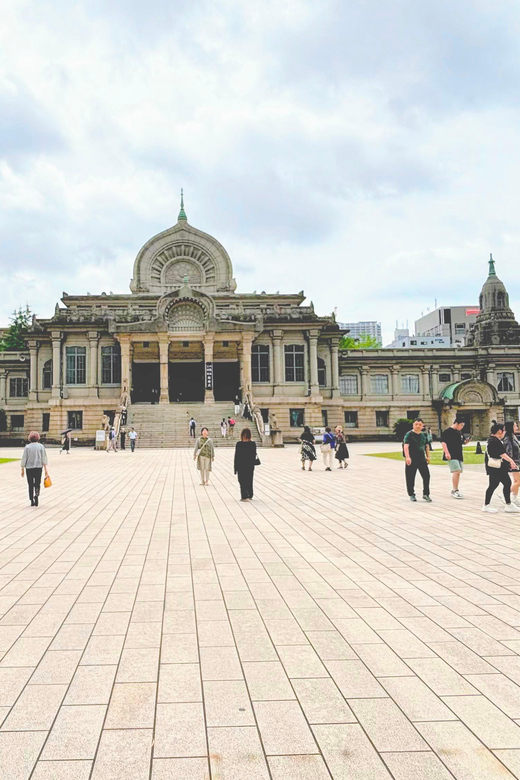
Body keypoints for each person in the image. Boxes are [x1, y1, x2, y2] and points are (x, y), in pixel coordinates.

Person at [483, 422, 520, 513]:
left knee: (496, 485)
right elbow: (502, 453)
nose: (504, 432)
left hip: (495, 467)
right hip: (497, 467)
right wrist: (511, 461)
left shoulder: (492, 440)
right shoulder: (495, 441)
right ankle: (507, 504)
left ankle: (491, 504)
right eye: (503, 430)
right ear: (499, 431)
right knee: (505, 483)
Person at [403, 418, 432, 502]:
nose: (418, 426)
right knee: (410, 477)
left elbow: (426, 446)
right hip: (412, 459)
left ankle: (426, 494)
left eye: (420, 424)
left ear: (423, 426)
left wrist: (428, 456)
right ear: (413, 425)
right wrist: (407, 457)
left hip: (421, 458)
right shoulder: (409, 434)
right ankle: (411, 494)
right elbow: (406, 446)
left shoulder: (424, 435)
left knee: (426, 476)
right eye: (416, 424)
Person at [21, 431, 49, 507]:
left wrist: (22, 468)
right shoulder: (41, 447)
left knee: (30, 484)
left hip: (29, 468)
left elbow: (24, 458)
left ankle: (31, 500)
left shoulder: (27, 447)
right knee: (37, 483)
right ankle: (36, 494)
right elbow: (44, 458)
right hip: (38, 467)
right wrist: (46, 470)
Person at [441, 416, 466, 498]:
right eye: (461, 425)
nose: (462, 427)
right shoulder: (447, 432)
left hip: (458, 454)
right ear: (456, 423)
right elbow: (443, 442)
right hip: (451, 454)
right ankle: (454, 490)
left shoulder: (458, 432)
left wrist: (465, 442)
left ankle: (456, 489)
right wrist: (446, 452)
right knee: (456, 471)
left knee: (458, 472)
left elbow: (460, 442)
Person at [234, 428, 258, 501]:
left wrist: (235, 468)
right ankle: (250, 494)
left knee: (242, 481)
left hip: (241, 466)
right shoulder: (252, 444)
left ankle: (244, 496)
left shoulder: (239, 444)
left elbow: (237, 456)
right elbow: (253, 455)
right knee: (249, 480)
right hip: (249, 466)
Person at [503, 421, 520, 507]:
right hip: (514, 463)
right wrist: (511, 462)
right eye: (515, 426)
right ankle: (506, 493)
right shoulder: (508, 439)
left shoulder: (513, 437)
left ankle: (514, 498)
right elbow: (509, 452)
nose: (517, 427)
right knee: (519, 481)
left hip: (517, 462)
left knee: (516, 481)